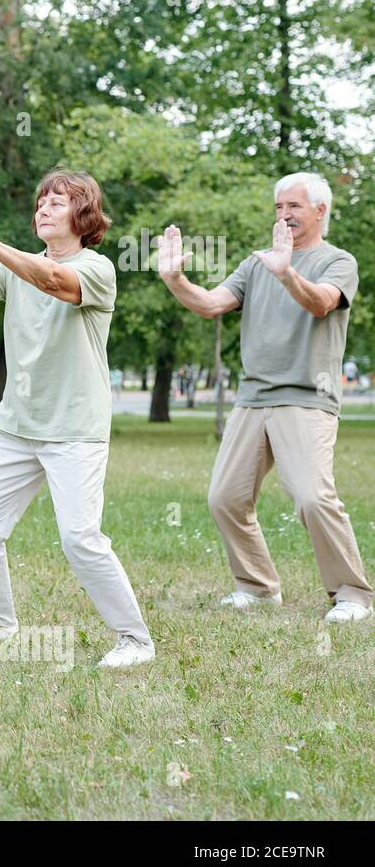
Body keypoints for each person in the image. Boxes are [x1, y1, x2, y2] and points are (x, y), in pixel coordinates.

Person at [0, 173, 155, 668]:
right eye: (40, 202)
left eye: (56, 203)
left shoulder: (97, 268)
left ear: (82, 215)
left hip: (75, 429)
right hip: (15, 425)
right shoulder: (16, 267)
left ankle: (135, 640)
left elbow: (53, 281)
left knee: (80, 539)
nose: (42, 209)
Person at [157, 172, 371, 623]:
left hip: (308, 398)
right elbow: (211, 303)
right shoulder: (256, 264)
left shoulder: (339, 261)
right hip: (253, 396)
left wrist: (287, 271)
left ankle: (352, 595)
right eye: (278, 207)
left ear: (320, 211)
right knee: (225, 498)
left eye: (293, 206)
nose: (284, 214)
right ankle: (257, 588)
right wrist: (175, 279)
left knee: (313, 497)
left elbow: (320, 303)